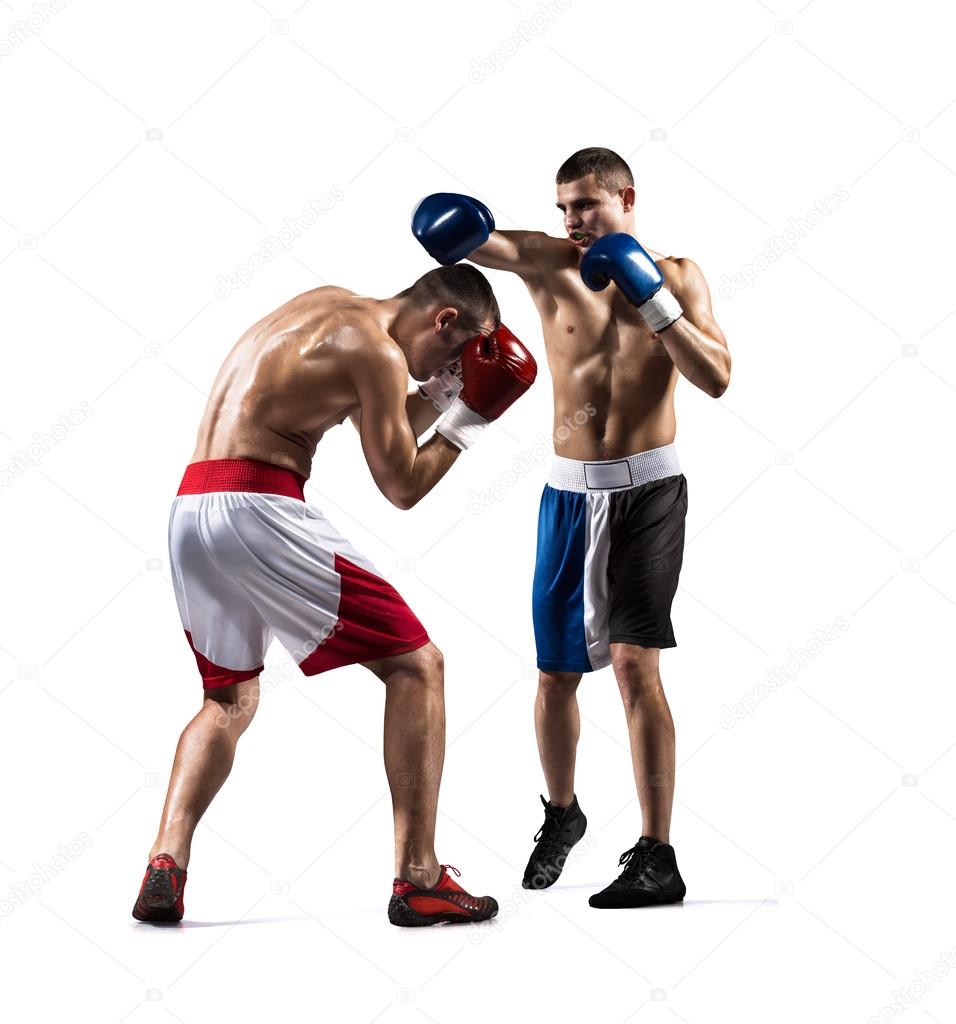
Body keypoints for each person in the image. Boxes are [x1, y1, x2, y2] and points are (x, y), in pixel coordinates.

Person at [131, 265, 537, 927]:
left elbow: (386, 420)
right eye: (456, 355)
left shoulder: (327, 305)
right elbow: (403, 484)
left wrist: (444, 390)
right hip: (257, 507)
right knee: (418, 666)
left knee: (227, 700)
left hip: (191, 510)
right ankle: (419, 877)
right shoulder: (379, 353)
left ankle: (165, 860)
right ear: (444, 321)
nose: (451, 367)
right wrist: (471, 419)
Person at [412, 147, 731, 908]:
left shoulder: (680, 275)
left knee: (634, 665)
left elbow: (717, 378)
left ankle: (658, 855)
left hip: (651, 489)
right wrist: (451, 231)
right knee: (556, 675)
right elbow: (476, 243)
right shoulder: (548, 264)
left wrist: (654, 299)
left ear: (626, 198)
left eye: (586, 204)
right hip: (568, 494)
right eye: (562, 207)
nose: (572, 221)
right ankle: (563, 814)